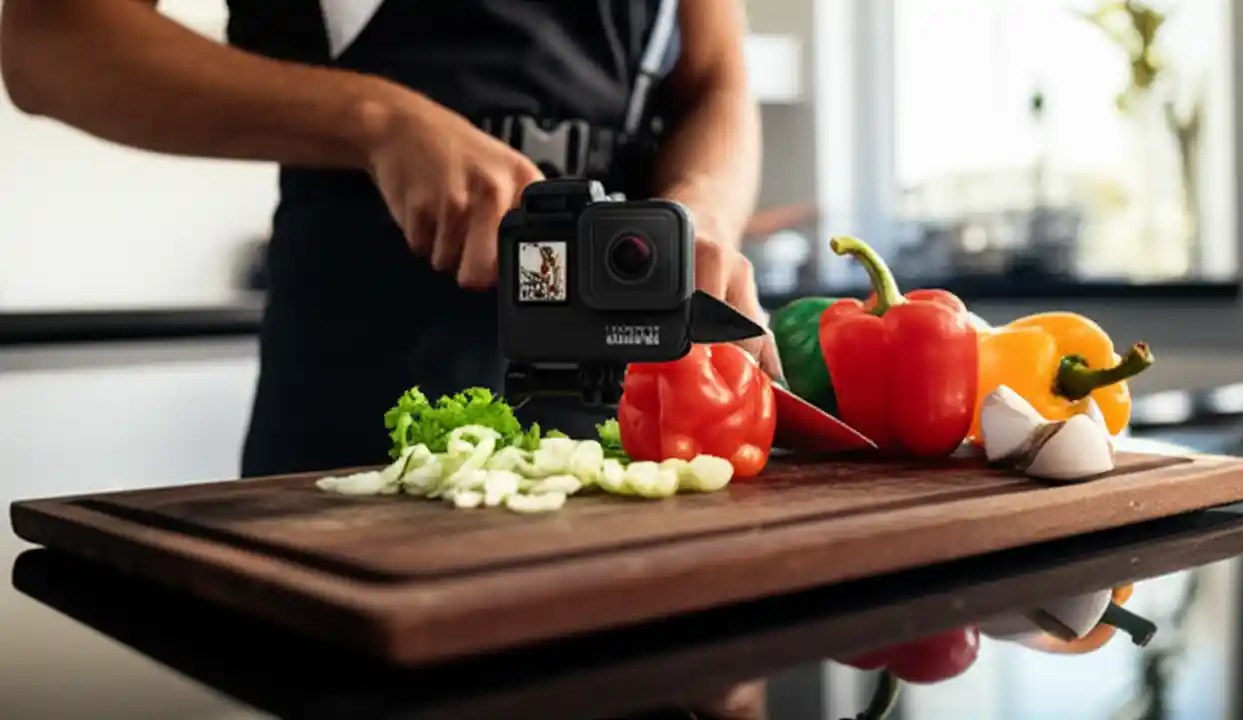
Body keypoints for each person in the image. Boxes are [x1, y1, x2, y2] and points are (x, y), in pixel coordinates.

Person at [3, 0, 779, 483]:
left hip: (639, 401)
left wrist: (697, 218)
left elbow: (717, 80)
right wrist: (374, 120)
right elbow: (49, 38)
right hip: (359, 387)